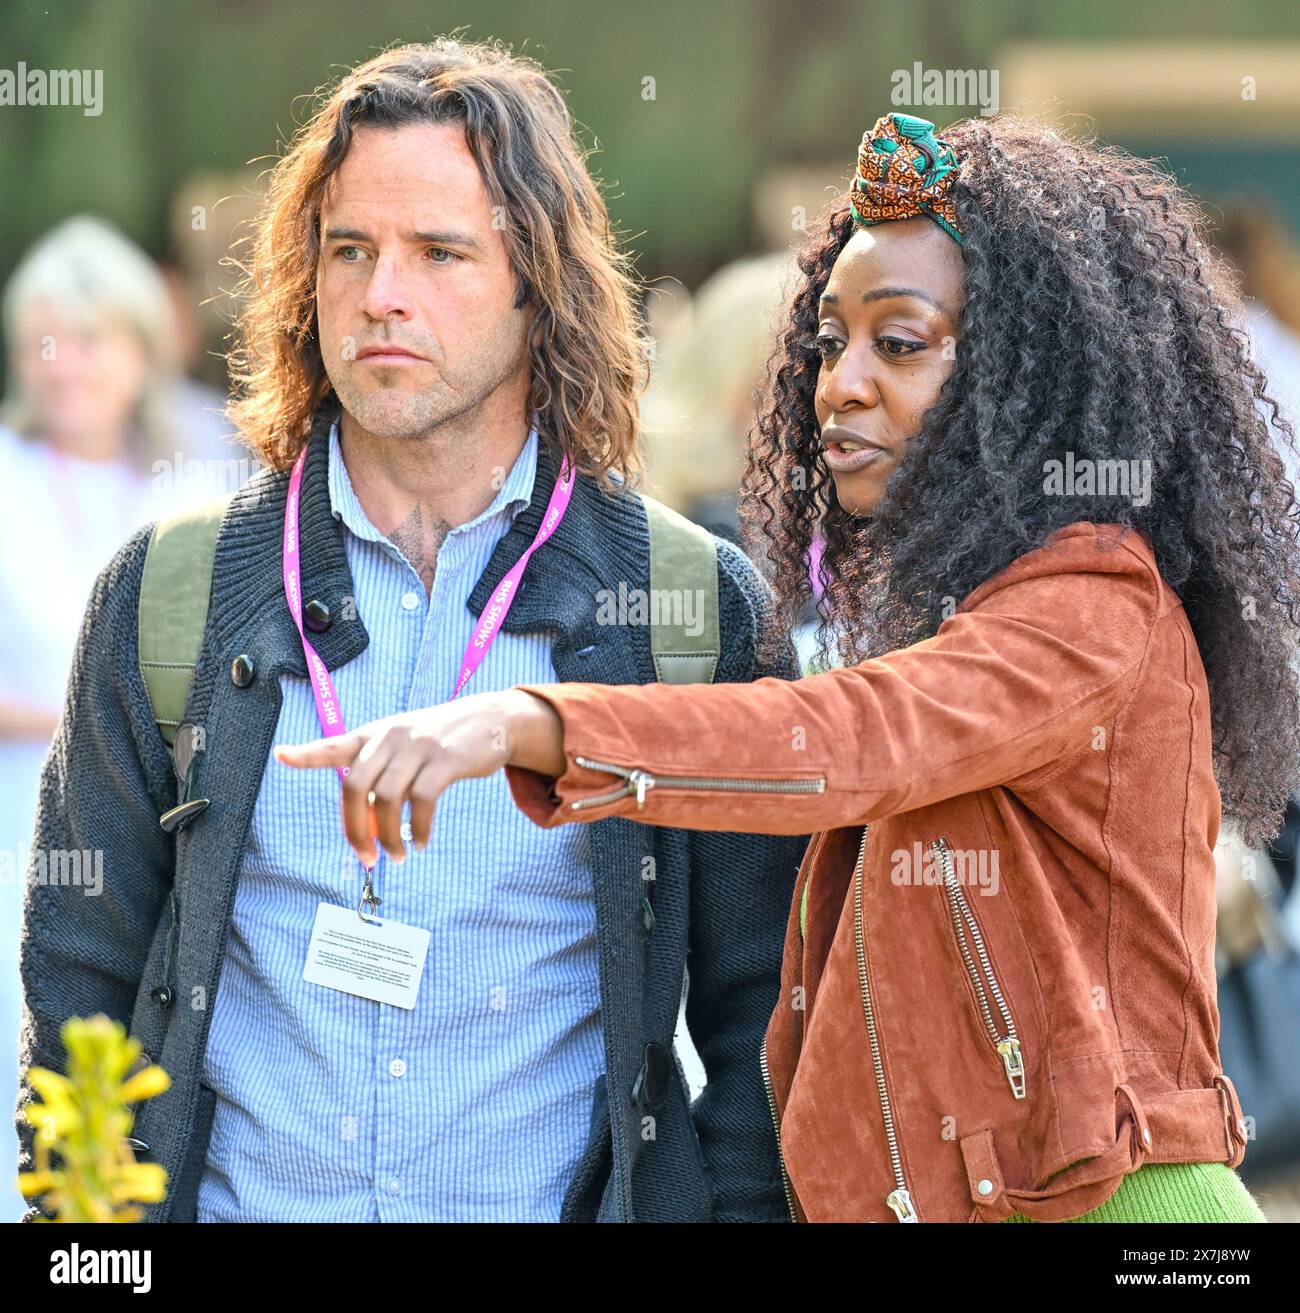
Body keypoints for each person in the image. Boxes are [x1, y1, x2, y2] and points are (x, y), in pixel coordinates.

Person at [277, 113, 1300, 1223]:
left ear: (1027, 379)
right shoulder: (951, 607)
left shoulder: (1093, 604)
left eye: (899, 344)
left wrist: (522, 724)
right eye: (827, 343)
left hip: (1126, 1208)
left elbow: (846, 737)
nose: (839, 385)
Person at [14, 39, 808, 1223]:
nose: (383, 291)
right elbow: (77, 1004)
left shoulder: (689, 609)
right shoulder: (168, 593)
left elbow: (765, 1029)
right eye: (351, 251)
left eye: (440, 252)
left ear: (538, 286)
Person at [0, 215, 223, 1223]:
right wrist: (89, 717)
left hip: (178, 815)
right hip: (23, 813)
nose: (67, 367)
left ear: (141, 345)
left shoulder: (208, 477)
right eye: (46, 342)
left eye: (90, 341)